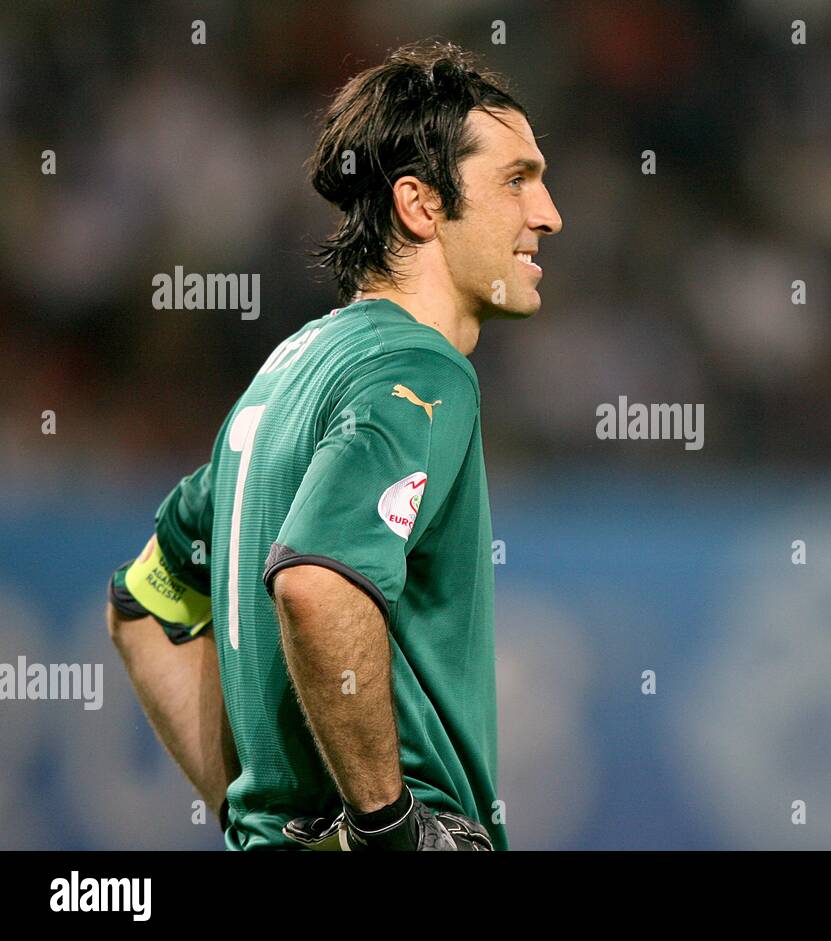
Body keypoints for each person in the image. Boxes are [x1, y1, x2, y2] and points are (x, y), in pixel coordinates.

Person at [105, 41, 562, 851]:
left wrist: (262, 826)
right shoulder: (421, 370)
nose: (548, 213)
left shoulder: (285, 373)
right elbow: (317, 585)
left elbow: (144, 603)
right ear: (421, 206)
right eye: (516, 180)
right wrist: (388, 828)